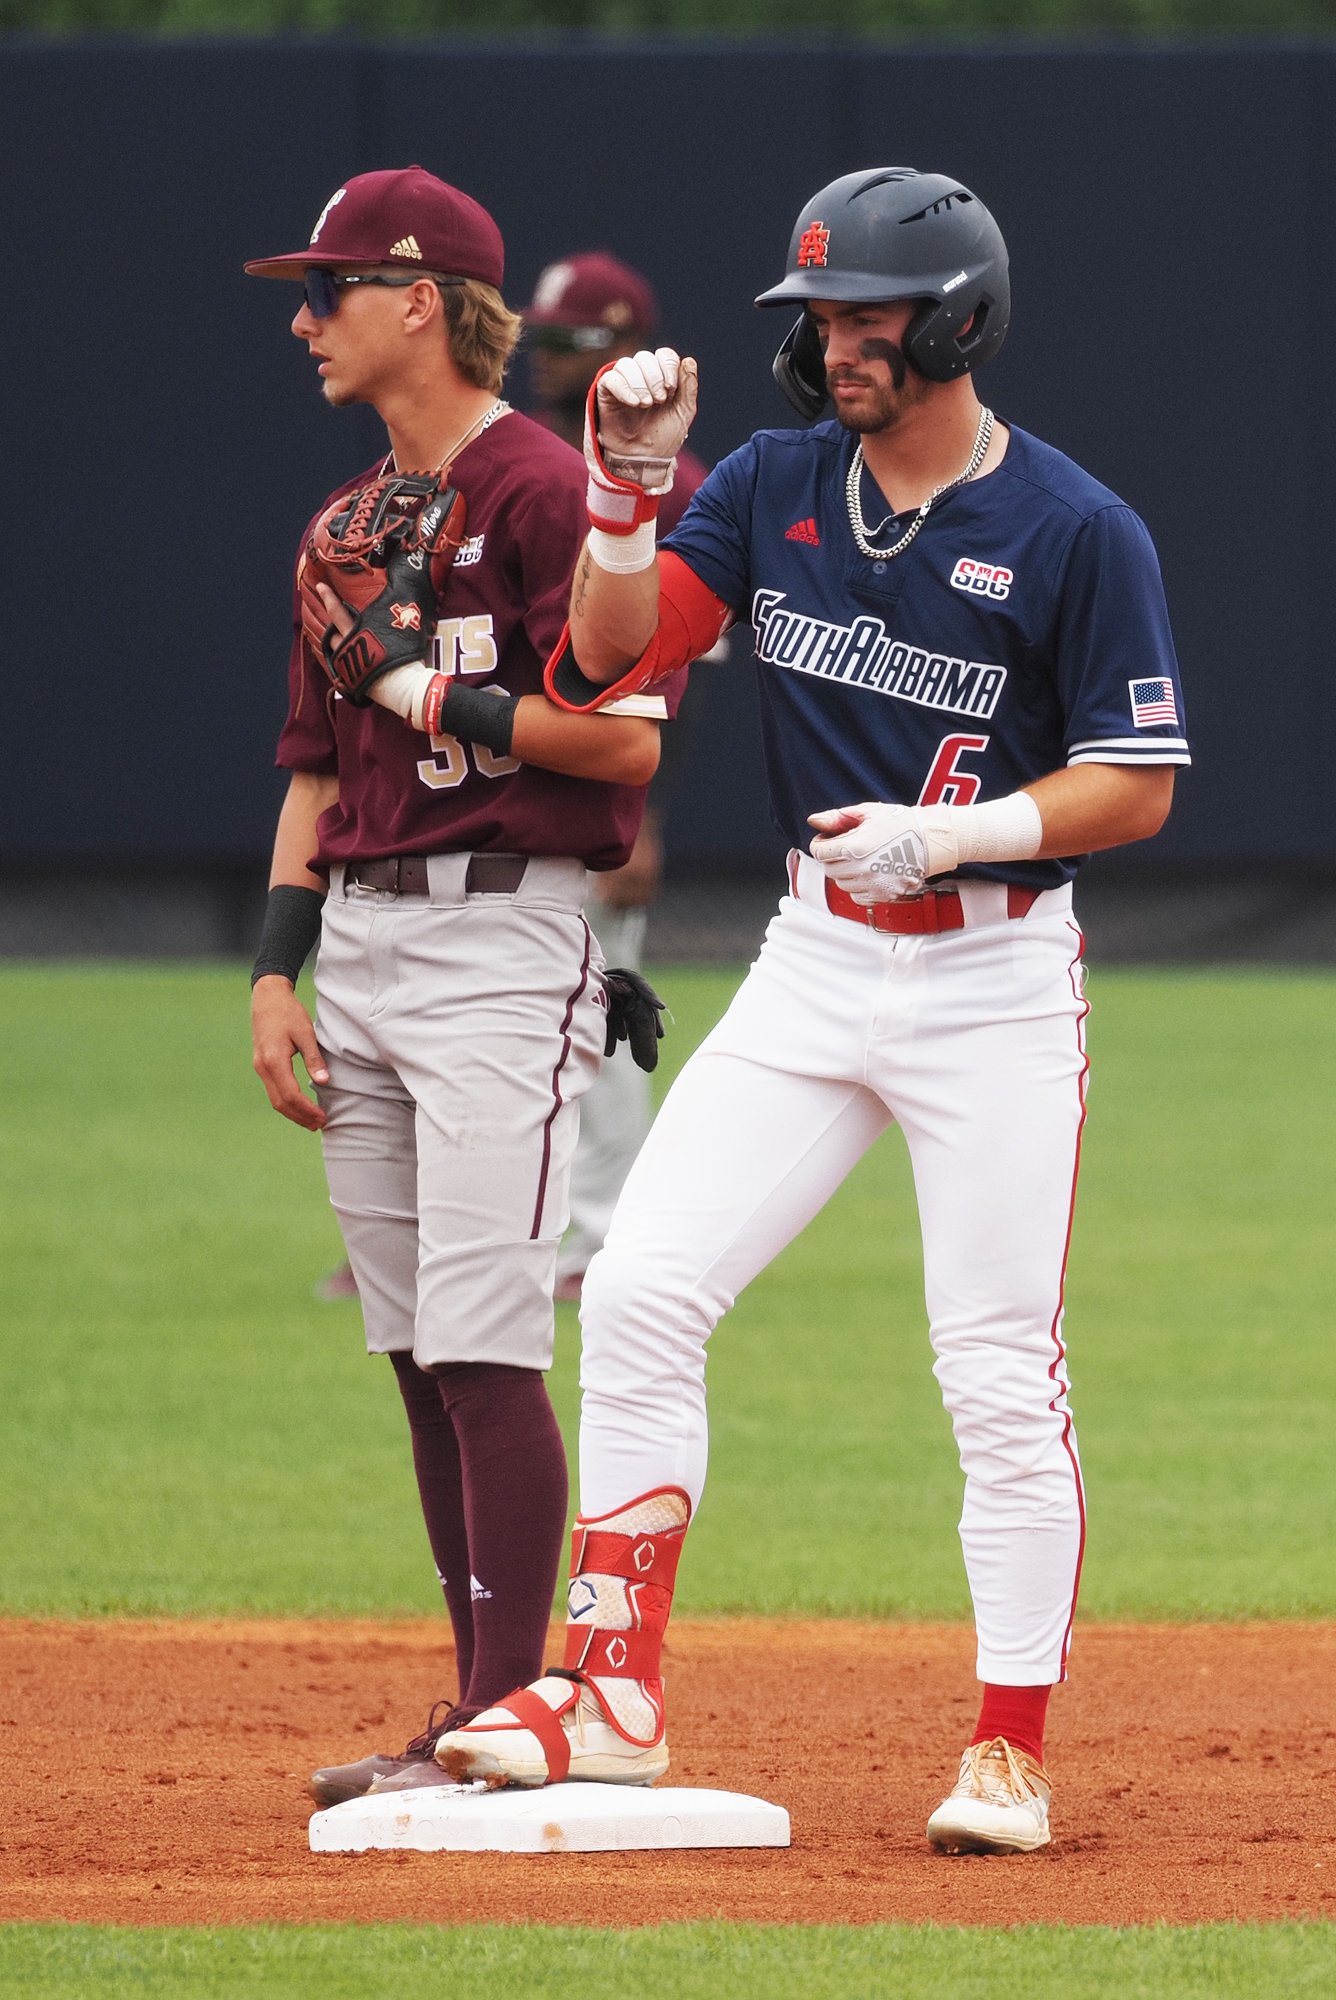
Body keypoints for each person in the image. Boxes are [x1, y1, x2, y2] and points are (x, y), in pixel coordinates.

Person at [432, 168, 1190, 1855]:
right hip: (815, 958)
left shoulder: (1076, 529)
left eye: (864, 316)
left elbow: (1133, 789)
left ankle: (1007, 1745)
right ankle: (611, 1692)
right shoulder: (772, 485)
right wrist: (626, 494)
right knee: (636, 1290)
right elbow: (613, 664)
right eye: (821, 317)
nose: (833, 343)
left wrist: (966, 829)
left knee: (995, 1369)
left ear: (959, 318)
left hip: (992, 977)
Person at [243, 166, 685, 1806]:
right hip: (356, 934)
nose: (306, 319)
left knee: (490, 1337)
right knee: (418, 1346)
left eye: (330, 288)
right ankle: (470, 1711)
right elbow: (311, 766)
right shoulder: (345, 525)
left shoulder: (548, 494)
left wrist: (433, 686)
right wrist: (276, 972)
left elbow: (625, 734)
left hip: (506, 934)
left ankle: (522, 1709)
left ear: (418, 301)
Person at [521, 250, 713, 1301]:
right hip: (518, 794)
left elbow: (679, 659)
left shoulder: (675, 484)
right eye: (540, 339)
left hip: (603, 794)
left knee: (600, 1016)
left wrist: (645, 814)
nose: (548, 361)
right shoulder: (515, 458)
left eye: (572, 343)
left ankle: (604, 1240)